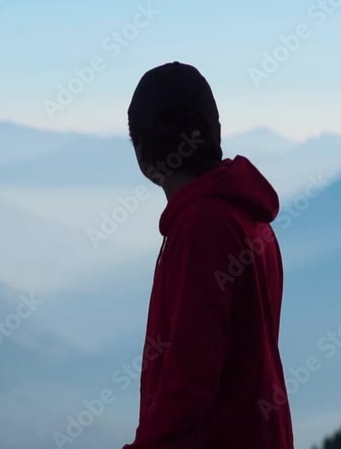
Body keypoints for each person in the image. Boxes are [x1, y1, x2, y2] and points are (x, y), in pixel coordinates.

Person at [122, 62, 294, 449]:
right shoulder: (250, 218)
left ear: (145, 156)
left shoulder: (204, 227)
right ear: (214, 132)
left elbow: (190, 382)